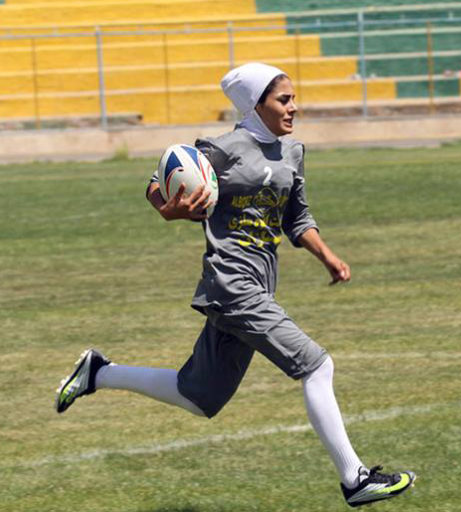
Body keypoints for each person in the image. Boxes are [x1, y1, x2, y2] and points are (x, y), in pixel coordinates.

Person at [55, 62, 416, 507]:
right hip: (230, 283)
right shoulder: (223, 149)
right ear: (255, 104)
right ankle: (355, 479)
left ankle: (99, 373)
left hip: (257, 289)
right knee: (317, 366)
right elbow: (159, 179)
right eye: (284, 100)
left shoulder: (292, 152)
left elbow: (296, 218)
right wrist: (165, 208)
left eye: (293, 99)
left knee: (198, 396)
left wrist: (329, 257)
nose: (294, 107)